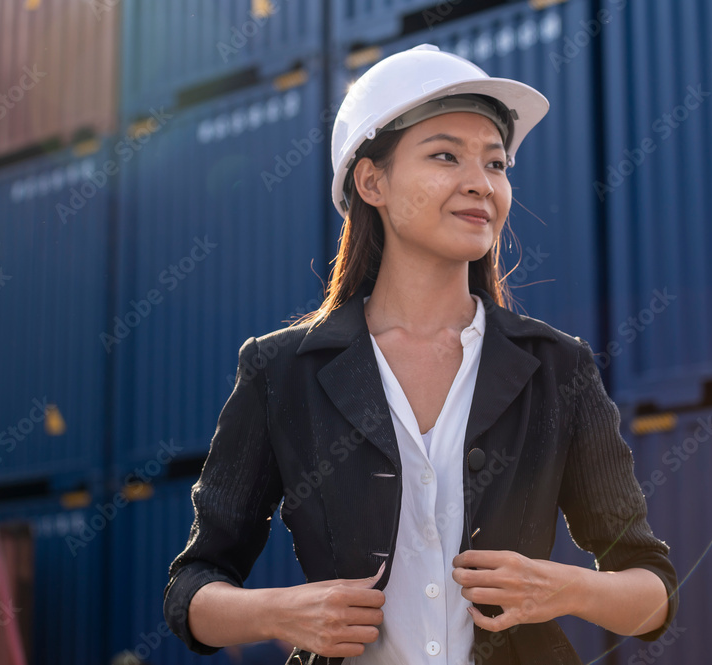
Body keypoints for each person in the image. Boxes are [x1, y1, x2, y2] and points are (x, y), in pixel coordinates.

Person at [164, 44, 678, 665]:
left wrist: (563, 587)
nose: (480, 184)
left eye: (496, 163)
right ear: (371, 180)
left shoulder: (557, 368)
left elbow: (652, 593)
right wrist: (281, 612)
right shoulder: (281, 373)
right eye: (444, 156)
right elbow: (192, 591)